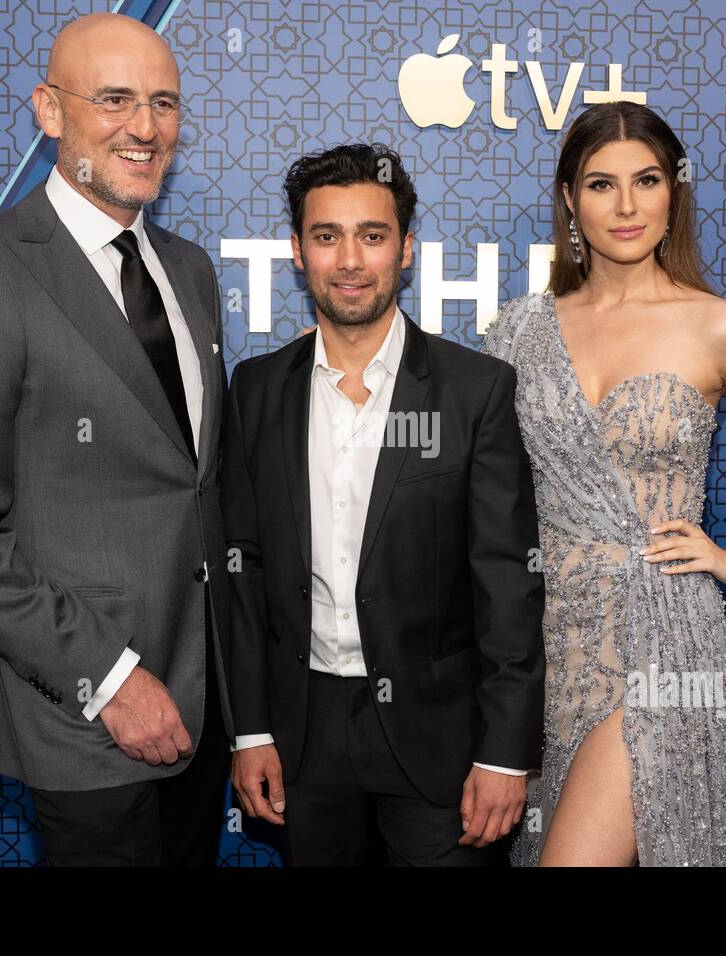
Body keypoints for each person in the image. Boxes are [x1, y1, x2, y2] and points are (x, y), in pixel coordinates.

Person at [483, 102, 726, 866]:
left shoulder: (714, 327)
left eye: (647, 181)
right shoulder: (514, 331)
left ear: (674, 193)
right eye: (601, 184)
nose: (625, 206)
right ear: (568, 199)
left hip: (662, 636)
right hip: (544, 640)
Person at [0, 12, 233, 866]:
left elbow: (192, 487)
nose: (146, 127)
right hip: (87, 713)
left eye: (164, 103)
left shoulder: (189, 269)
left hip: (207, 704)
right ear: (50, 110)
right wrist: (113, 682)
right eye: (115, 99)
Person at [224, 143, 546, 865]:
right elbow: (242, 578)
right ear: (296, 250)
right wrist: (249, 732)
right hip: (302, 740)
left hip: (441, 746)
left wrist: (504, 753)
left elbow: (508, 585)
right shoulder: (256, 390)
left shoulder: (474, 391)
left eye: (372, 236)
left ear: (404, 250)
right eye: (325, 236)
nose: (349, 261)